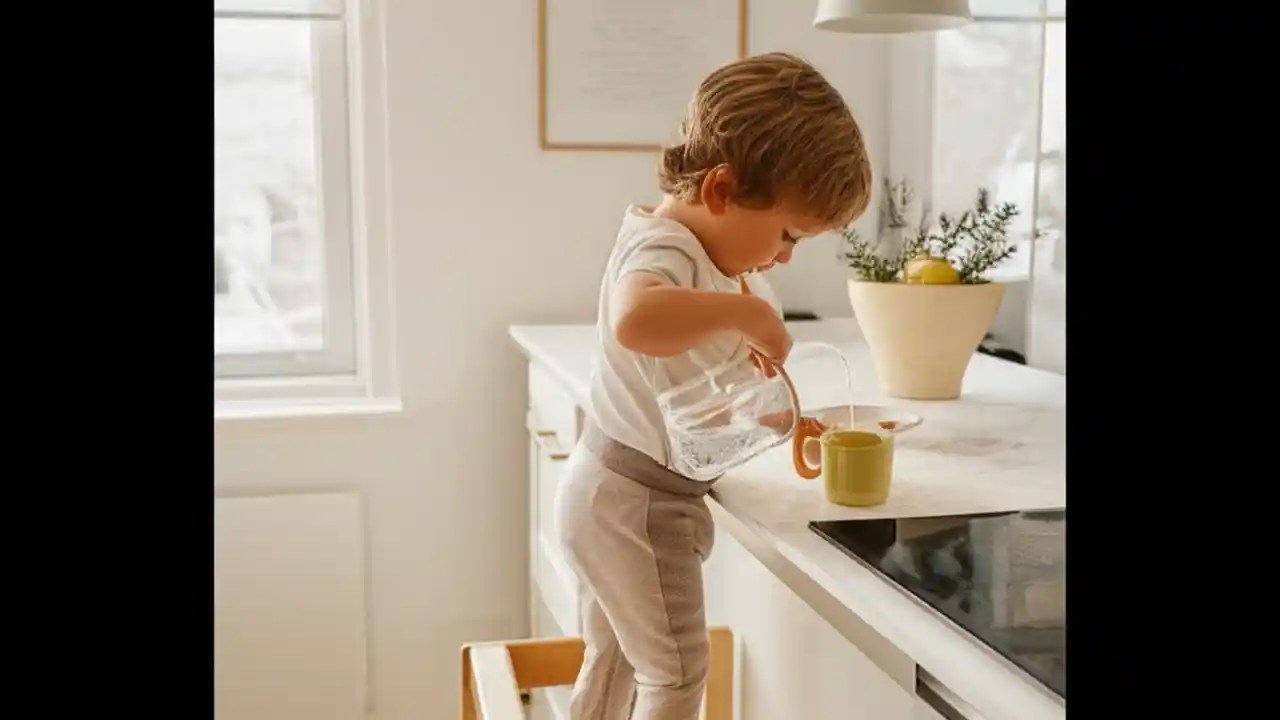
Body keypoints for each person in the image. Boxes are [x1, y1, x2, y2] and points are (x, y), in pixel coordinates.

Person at [554, 52, 874, 719]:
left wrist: (772, 401)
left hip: (612, 496)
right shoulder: (663, 248)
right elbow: (638, 320)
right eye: (787, 234)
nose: (785, 256)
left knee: (616, 660)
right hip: (635, 505)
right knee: (676, 673)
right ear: (723, 191)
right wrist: (747, 313)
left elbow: (688, 377)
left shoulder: (697, 255)